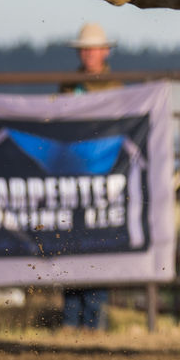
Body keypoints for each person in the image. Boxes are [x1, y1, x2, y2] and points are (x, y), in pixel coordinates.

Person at [59, 22, 123, 331]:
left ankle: (91, 317)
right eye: (85, 50)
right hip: (78, 173)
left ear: (105, 51)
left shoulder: (113, 87)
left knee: (94, 243)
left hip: (97, 172)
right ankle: (74, 316)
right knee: (75, 243)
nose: (89, 55)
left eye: (93, 49)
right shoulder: (70, 85)